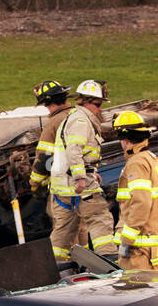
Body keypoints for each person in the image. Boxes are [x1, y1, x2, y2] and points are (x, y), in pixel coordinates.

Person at [48, 80, 117, 262]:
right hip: (76, 183)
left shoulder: (74, 118)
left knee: (64, 230)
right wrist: (80, 177)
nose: (100, 109)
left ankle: (55, 266)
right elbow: (74, 149)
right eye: (98, 104)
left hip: (62, 186)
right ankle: (109, 259)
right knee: (99, 217)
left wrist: (91, 172)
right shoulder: (80, 120)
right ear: (86, 102)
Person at [112, 111, 158, 271]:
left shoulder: (136, 163)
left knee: (135, 289)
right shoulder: (151, 159)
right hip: (149, 243)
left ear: (126, 139)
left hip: (137, 247)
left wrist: (127, 239)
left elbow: (141, 202)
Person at [28, 79, 73, 194]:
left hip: (62, 185)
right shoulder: (77, 115)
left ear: (50, 103)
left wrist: (34, 183)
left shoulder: (53, 123)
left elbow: (46, 156)